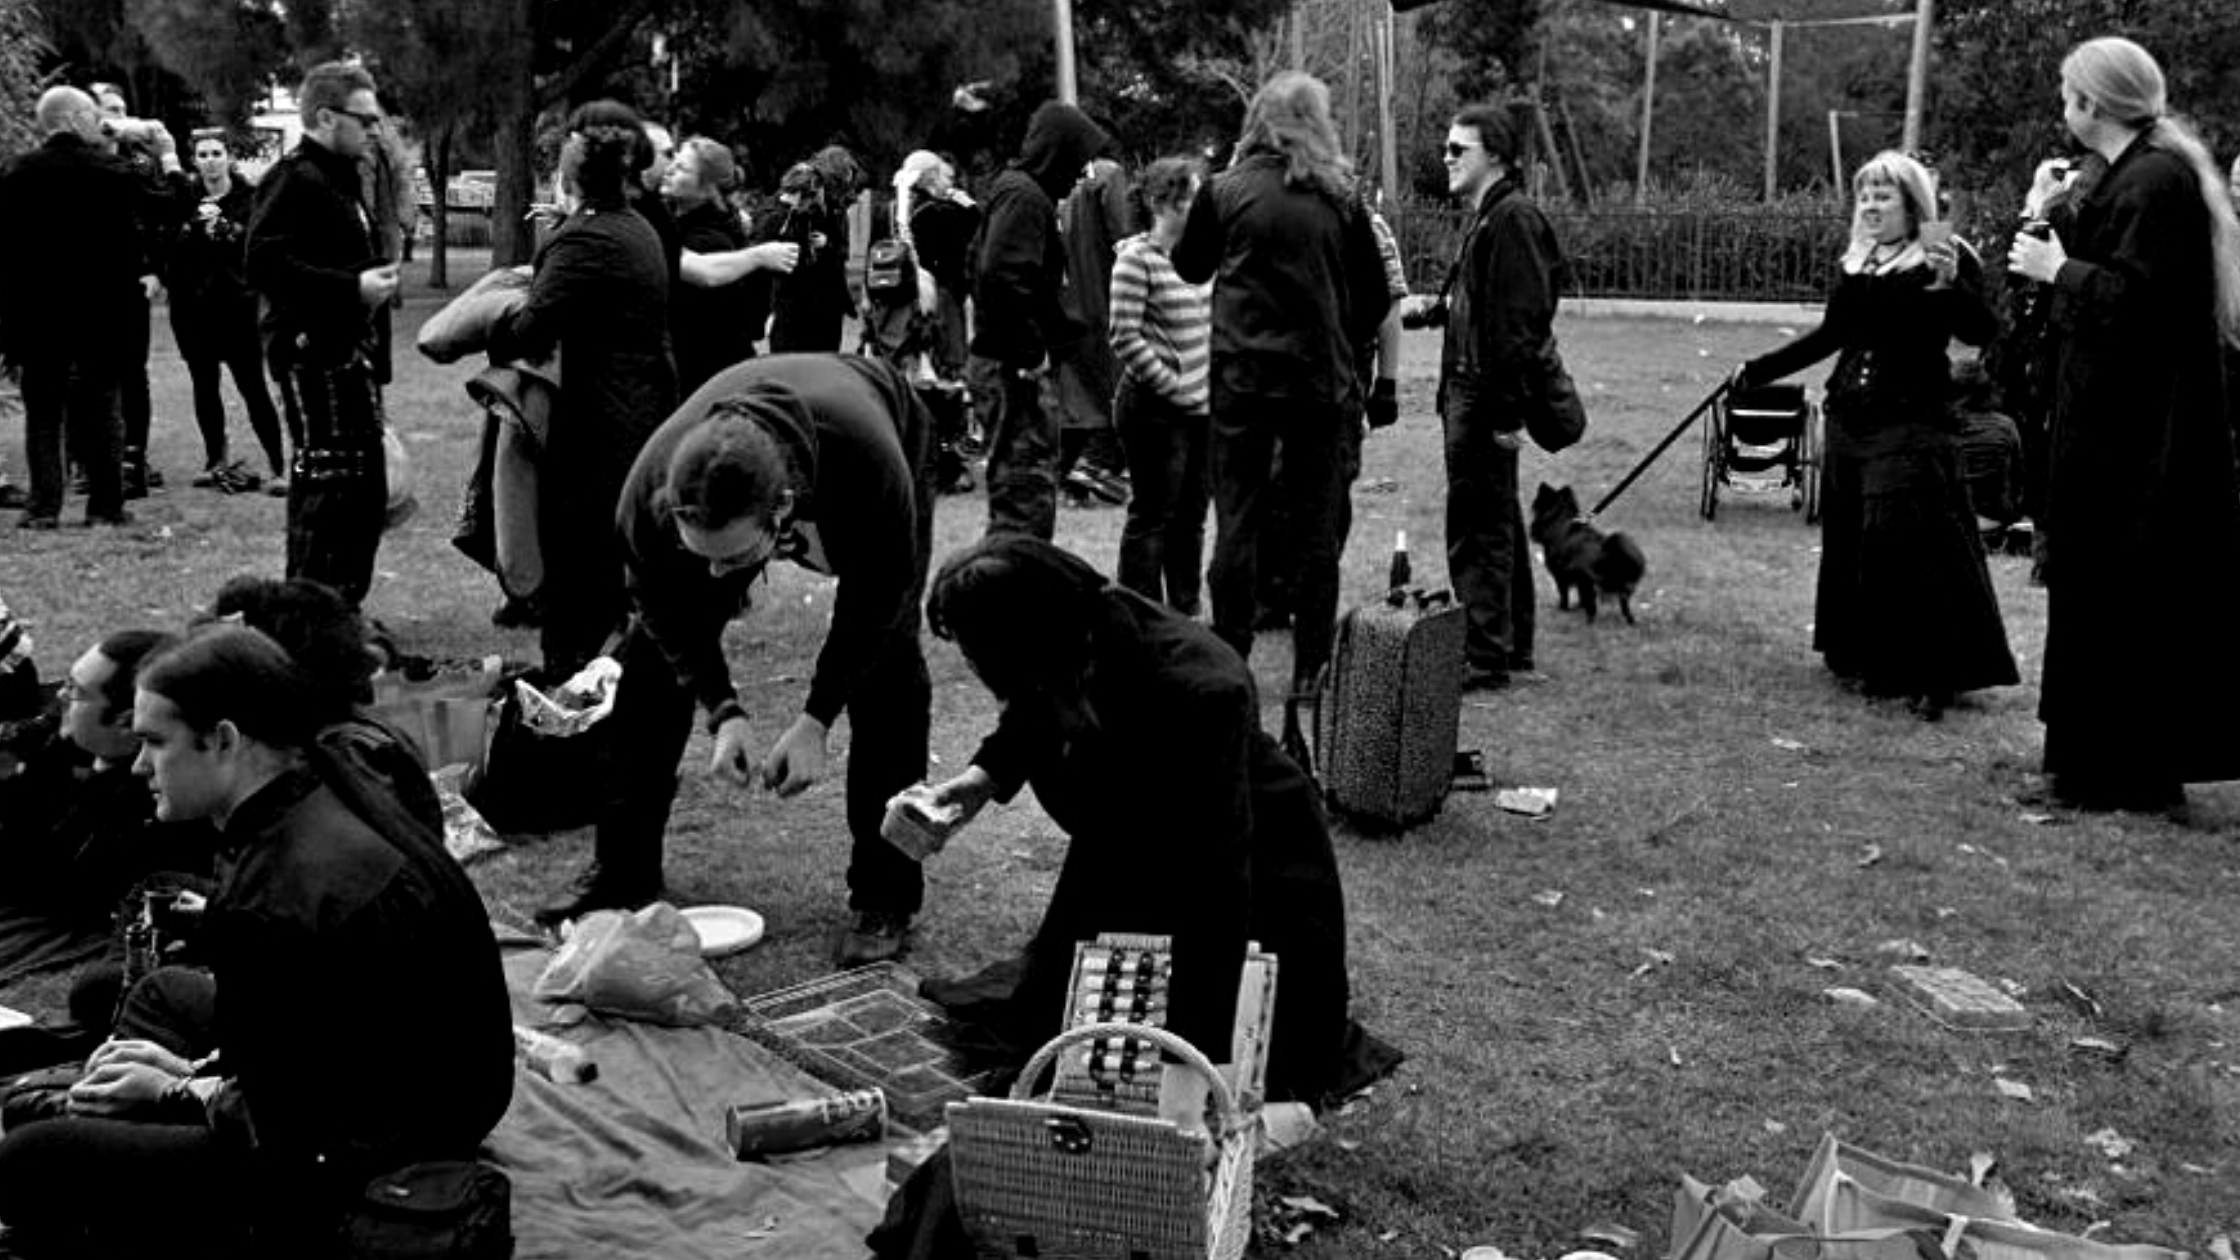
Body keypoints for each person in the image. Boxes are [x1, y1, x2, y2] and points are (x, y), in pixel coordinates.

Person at [0, 625, 514, 1258]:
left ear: (223, 739)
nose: (138, 766)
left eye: (155, 743)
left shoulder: (275, 891)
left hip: (368, 1155)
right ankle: (112, 1114)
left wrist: (183, 1088)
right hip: (423, 1090)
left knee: (30, 1155)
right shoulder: (324, 790)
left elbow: (295, 1126)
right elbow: (325, 1037)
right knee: (158, 993)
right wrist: (204, 1078)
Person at [915, 535, 1375, 1108]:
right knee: (1065, 1005)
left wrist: (1200, 1057)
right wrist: (982, 779)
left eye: (972, 652)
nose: (969, 666)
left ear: (1027, 637)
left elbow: (1220, 882)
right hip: (1132, 833)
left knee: (1184, 1033)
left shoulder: (1202, 688)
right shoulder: (1063, 632)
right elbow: (1036, 703)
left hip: (1258, 861)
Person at [535, 354, 938, 973]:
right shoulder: (648, 495)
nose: (720, 576)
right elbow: (665, 610)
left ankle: (884, 894)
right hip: (739, 489)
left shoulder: (867, 465)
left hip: (881, 418)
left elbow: (875, 603)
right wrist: (723, 710)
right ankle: (622, 870)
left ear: (782, 510)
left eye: (734, 559)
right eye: (704, 557)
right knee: (644, 666)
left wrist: (816, 719)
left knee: (889, 673)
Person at [2006, 36, 2240, 809]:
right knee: (2096, 595)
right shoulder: (2123, 175)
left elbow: (2144, 307)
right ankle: (2093, 764)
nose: (2061, 106)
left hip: (2141, 437)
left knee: (2125, 600)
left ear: (2091, 103)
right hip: (2108, 422)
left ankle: (2123, 771)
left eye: (2068, 93)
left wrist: (2060, 270)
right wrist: (2043, 220)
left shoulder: (2156, 181)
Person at [1736, 150, 2015, 716]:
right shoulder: (1858, 263)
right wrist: (1757, 370)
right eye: (1864, 196)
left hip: (1911, 419)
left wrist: (1948, 284)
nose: (1870, 206)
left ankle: (1926, 669)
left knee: (1900, 542)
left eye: (1882, 197)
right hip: (1851, 419)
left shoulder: (1941, 257)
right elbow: (1830, 336)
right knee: (1853, 539)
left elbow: (1981, 329)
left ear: (1912, 205)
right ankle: (1865, 656)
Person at [1174, 72, 1393, 710]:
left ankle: (1230, 654)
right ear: (1316, 124)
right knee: (1317, 529)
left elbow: (1191, 266)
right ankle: (1311, 670)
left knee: (1236, 520)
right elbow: (1375, 297)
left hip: (1243, 378)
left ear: (1259, 122)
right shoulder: (1340, 198)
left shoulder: (1224, 191)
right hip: (1318, 380)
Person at [490, 99, 678, 677]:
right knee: (611, 583)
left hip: (596, 436)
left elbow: (527, 330)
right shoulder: (634, 227)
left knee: (580, 586)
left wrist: (495, 313)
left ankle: (575, 695)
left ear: (567, 178)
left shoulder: (586, 240)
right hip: (634, 420)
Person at [1397, 105, 1566, 692]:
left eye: (1456, 149)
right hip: (1470, 388)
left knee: (1477, 525)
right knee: (1496, 522)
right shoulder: (1490, 216)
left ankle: (1484, 653)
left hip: (1483, 395)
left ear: (1494, 154)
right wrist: (1438, 311)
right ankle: (1507, 646)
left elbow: (1520, 325)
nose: (1445, 158)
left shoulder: (1512, 219)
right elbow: (1489, 306)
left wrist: (1506, 414)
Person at [246, 61, 403, 608]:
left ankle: (340, 610)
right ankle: (309, 615)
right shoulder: (293, 178)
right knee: (330, 489)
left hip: (348, 356)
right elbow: (263, 262)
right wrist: (349, 287)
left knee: (362, 491)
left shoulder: (339, 179)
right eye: (366, 120)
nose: (376, 132)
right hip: (313, 360)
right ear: (326, 116)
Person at [0, 87, 150, 529]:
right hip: (99, 309)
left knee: (43, 410)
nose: (98, 121)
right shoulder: (109, 171)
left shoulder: (16, 173)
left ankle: (44, 506)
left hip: (38, 312)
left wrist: (9, 323)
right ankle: (105, 504)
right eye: (91, 114)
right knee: (103, 405)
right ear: (73, 119)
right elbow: (152, 201)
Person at [972, 101, 1110, 540]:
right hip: (1013, 373)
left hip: (1010, 365)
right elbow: (1001, 274)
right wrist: (1030, 354)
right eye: (1078, 160)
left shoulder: (1022, 194)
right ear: (1059, 152)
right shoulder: (1024, 198)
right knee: (1023, 494)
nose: (1082, 173)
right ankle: (1013, 590)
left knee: (1027, 493)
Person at [1106, 155, 1213, 613]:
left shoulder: (1204, 258)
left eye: (1196, 196)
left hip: (1202, 410)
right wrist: (1172, 384)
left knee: (1191, 517)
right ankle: (1140, 611)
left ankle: (1185, 609)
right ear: (1157, 202)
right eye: (1184, 197)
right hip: (1153, 409)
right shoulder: (1136, 260)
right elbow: (1123, 334)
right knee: (1153, 513)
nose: (1193, 206)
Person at [168, 129, 287, 493]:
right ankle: (214, 460)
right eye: (202, 154)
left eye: (216, 152)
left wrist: (226, 230)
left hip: (237, 308)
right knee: (204, 386)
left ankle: (279, 464)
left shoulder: (250, 198)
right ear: (194, 161)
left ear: (229, 157)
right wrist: (191, 229)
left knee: (253, 387)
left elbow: (259, 246)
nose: (210, 160)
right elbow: (169, 247)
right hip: (194, 309)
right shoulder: (184, 198)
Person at [92, 82, 179, 501]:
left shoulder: (136, 166)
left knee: (132, 374)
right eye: (109, 110)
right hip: (85, 285)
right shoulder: (79, 162)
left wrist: (155, 270)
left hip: (132, 280)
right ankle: (87, 460)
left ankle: (133, 458)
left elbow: (162, 216)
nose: (119, 119)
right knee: (85, 373)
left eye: (123, 108)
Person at [1053, 155, 1134, 505]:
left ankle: (1071, 476)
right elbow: (1124, 236)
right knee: (1111, 387)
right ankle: (1091, 467)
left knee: (1073, 393)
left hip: (1060, 301)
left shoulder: (1050, 178)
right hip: (1099, 295)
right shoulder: (1107, 176)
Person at [664, 136, 766, 394]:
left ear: (707, 187)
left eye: (682, 168)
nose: (669, 170)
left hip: (706, 379)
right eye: (673, 162)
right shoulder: (682, 223)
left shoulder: (709, 241)